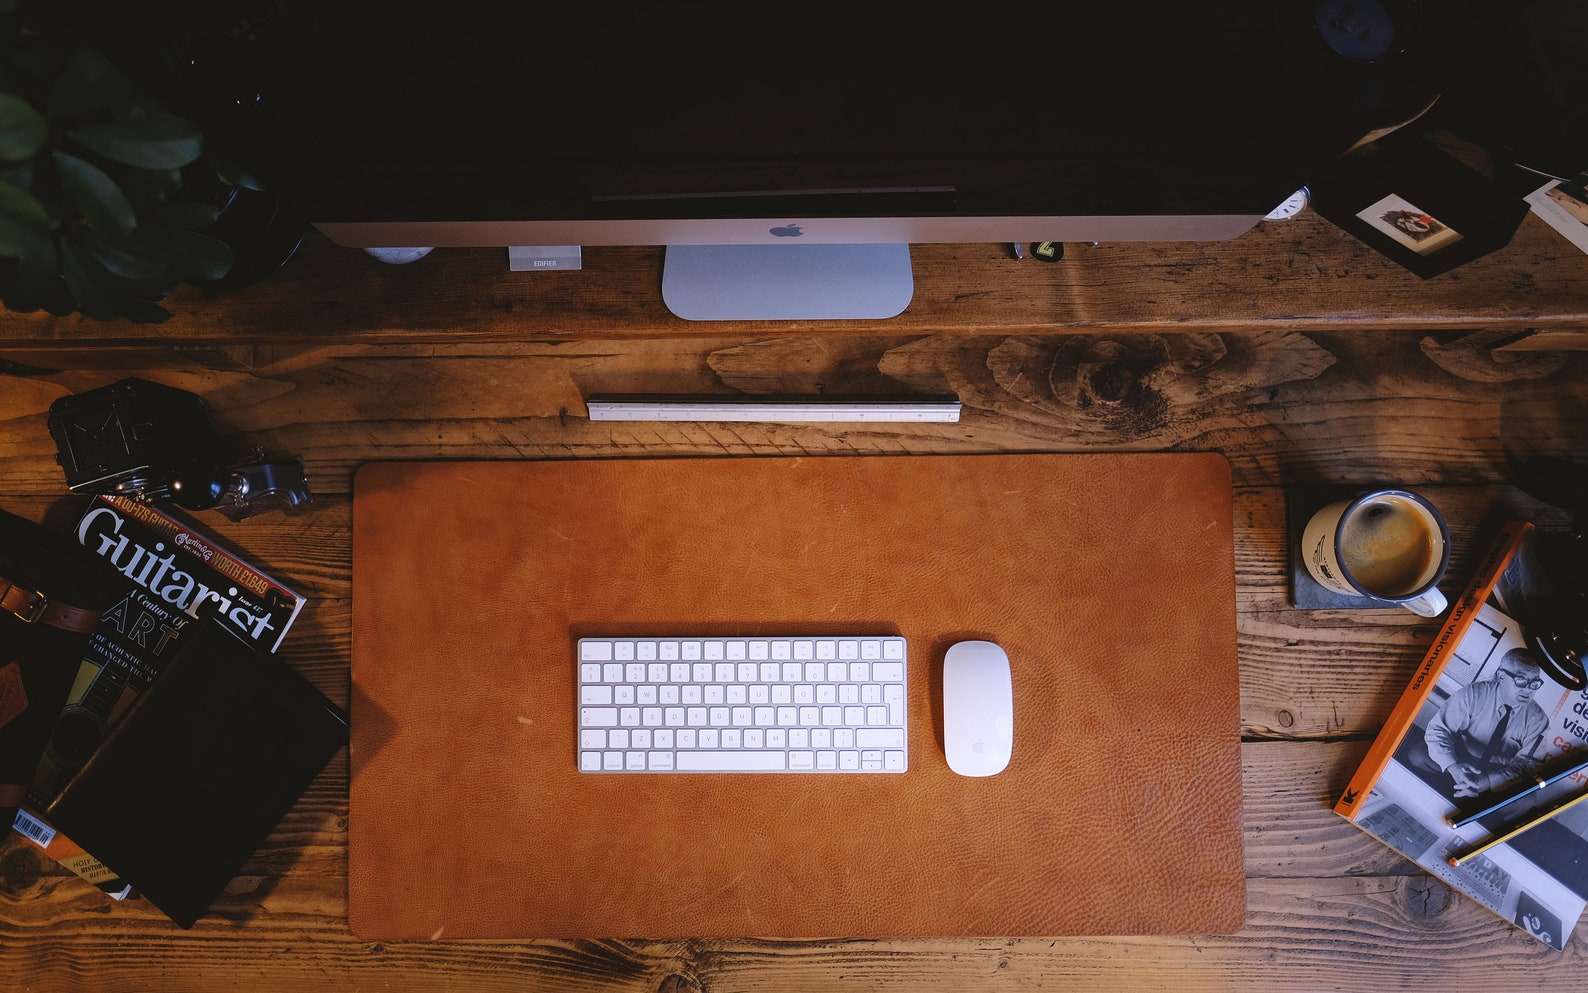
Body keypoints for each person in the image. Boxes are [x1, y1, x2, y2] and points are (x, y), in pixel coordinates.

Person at [1412, 648, 1551, 798]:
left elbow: (1528, 766)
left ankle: (1475, 792)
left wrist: (1489, 781)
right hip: (1462, 753)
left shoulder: (1538, 719)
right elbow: (1438, 731)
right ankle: (1453, 782)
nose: (1528, 690)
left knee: (1528, 800)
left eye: (1534, 683)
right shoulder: (1473, 693)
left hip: (1499, 770)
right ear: (1501, 676)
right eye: (1521, 680)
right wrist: (1454, 767)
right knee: (1417, 755)